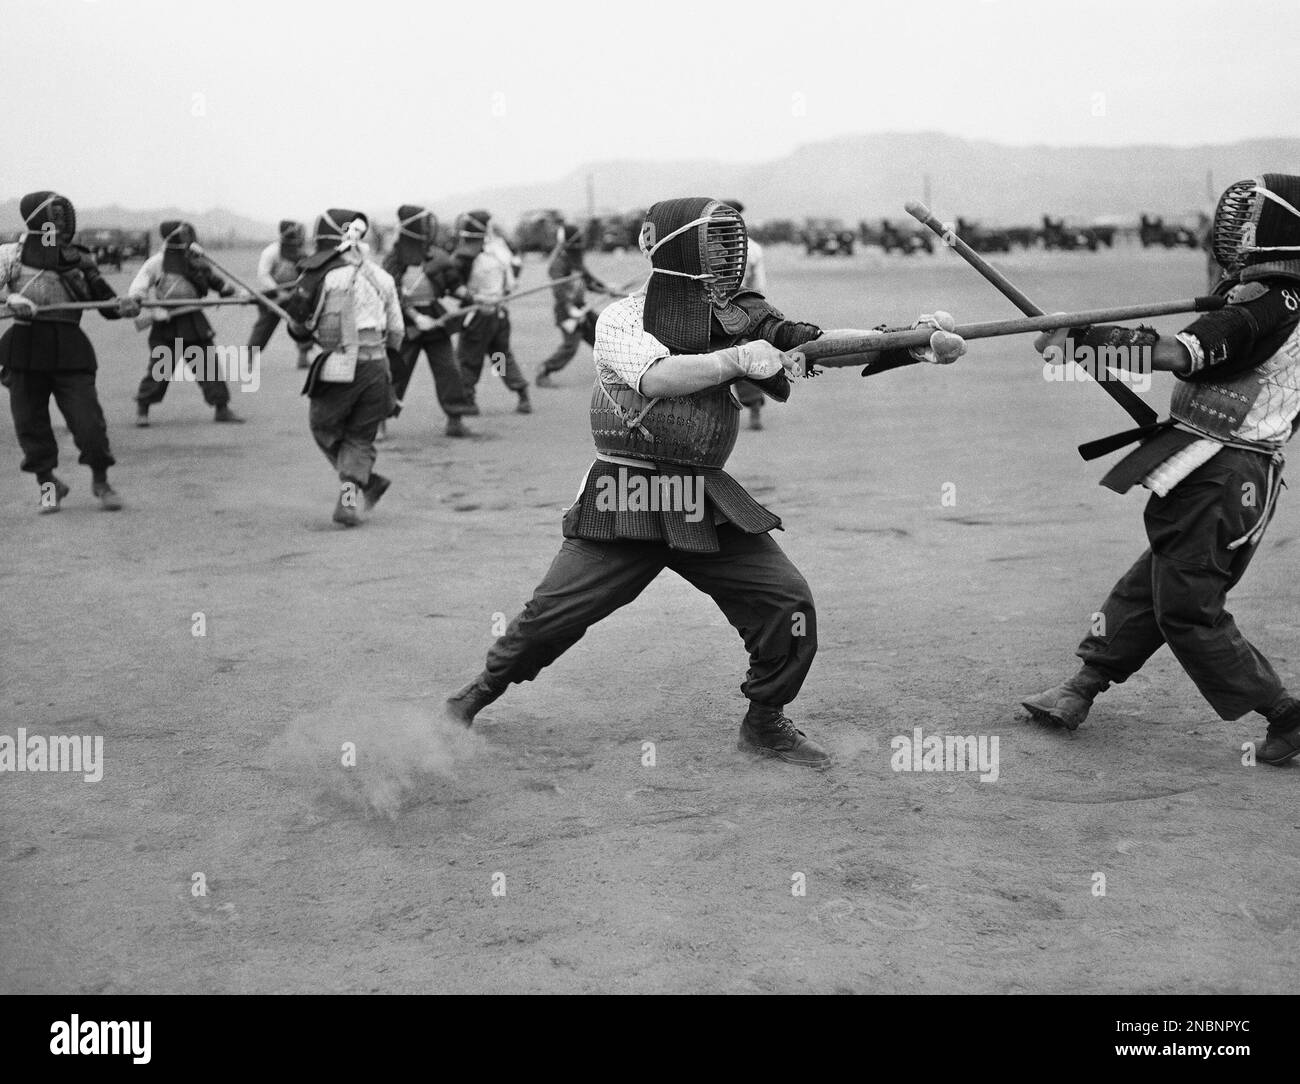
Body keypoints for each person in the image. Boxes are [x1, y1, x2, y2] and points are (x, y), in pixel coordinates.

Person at [444, 197, 965, 767]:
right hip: (627, 493)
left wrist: (911, 342)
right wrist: (737, 361)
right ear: (656, 241)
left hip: (700, 495)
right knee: (550, 618)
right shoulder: (622, 317)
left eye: (728, 239)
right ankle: (474, 697)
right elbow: (658, 379)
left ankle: (765, 722)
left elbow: (807, 343)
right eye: (710, 239)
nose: (723, 252)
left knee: (786, 604)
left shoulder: (740, 314)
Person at [1021, 174, 1300, 766]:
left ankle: (1286, 714)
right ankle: (1082, 687)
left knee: (1185, 606)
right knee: (1151, 583)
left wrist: (1092, 342)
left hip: (1226, 473)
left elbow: (1179, 354)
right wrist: (1088, 342)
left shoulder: (1269, 304)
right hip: (1207, 464)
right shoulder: (1270, 298)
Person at [0, 190, 139, 512]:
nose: (61, 221)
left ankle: (101, 482)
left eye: (64, 214)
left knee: (89, 423)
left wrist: (125, 306)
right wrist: (11, 300)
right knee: (30, 426)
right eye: (53, 215)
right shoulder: (11, 256)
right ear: (35, 218)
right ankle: (49, 489)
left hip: (69, 349)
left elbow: (106, 303)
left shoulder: (79, 258)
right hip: (24, 348)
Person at [284, 208, 404, 527]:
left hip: (338, 363)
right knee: (359, 439)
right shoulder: (383, 277)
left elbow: (299, 329)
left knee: (324, 427)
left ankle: (361, 479)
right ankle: (352, 492)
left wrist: (299, 324)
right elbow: (397, 332)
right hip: (377, 366)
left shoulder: (320, 275)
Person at [129, 221, 244, 426]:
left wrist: (237, 293)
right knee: (160, 368)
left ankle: (221, 408)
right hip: (166, 322)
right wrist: (150, 308)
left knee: (207, 366)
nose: (187, 238)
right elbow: (139, 288)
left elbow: (218, 283)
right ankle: (143, 407)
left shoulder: (196, 261)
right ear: (171, 237)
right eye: (182, 234)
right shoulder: (156, 262)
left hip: (193, 320)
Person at [381, 205, 475, 438]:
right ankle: (378, 422)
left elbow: (453, 284)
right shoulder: (394, 258)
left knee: (449, 370)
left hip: (435, 320)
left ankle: (455, 418)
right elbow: (390, 293)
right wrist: (415, 317)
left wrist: (471, 296)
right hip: (405, 323)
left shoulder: (435, 254)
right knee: (396, 373)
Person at [453, 210, 531, 415]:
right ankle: (521, 393)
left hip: (477, 317)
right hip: (499, 314)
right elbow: (511, 283)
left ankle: (468, 400)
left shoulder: (469, 254)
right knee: (500, 355)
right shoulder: (501, 250)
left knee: (469, 359)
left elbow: (455, 283)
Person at [535, 223, 609, 388]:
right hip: (567, 311)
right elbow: (558, 289)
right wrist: (570, 308)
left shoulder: (576, 259)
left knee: (601, 337)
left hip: (582, 307)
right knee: (570, 346)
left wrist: (608, 289)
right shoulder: (559, 263)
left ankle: (615, 372)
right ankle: (545, 370)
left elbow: (589, 280)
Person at [727, 199, 770, 430]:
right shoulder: (752, 247)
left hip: (720, 311)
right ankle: (754, 408)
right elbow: (759, 288)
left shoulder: (703, 245)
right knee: (745, 358)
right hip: (742, 309)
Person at [249, 220, 311, 369]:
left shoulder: (301, 253)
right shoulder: (271, 252)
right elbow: (263, 275)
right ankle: (250, 358)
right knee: (265, 325)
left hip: (295, 295)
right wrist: (279, 291)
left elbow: (306, 274)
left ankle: (303, 354)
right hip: (273, 295)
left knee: (302, 321)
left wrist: (294, 293)